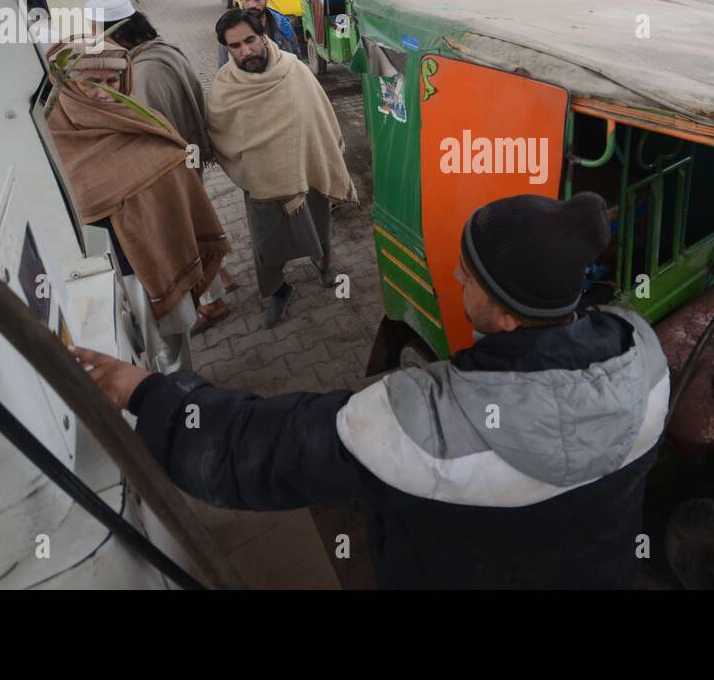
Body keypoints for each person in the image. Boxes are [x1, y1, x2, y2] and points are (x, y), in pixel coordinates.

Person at [71, 191, 670, 589]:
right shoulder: (646, 366)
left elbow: (267, 452)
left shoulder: (423, 425)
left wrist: (151, 396)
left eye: (470, 272)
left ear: (507, 313)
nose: (457, 275)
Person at [44, 38, 230, 372]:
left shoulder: (142, 118)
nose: (105, 92)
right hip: (116, 274)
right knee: (140, 352)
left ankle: (186, 393)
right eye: (91, 83)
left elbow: (177, 171)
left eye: (113, 81)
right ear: (68, 84)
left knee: (177, 342)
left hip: (165, 255)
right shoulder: (57, 141)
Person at [88, 0, 237, 331]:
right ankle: (222, 275)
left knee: (182, 233)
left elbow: (151, 133)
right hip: (190, 153)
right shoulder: (164, 49)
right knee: (196, 221)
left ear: (119, 34)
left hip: (171, 167)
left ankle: (212, 304)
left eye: (104, 36)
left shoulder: (142, 72)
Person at [209, 9, 356, 328]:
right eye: (235, 46)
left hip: (307, 170)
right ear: (227, 49)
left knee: (319, 225)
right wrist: (250, 171)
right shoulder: (223, 86)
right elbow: (222, 137)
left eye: (250, 40)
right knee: (266, 243)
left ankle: (324, 264)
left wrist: (326, 152)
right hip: (262, 182)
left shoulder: (293, 69)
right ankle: (277, 290)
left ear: (262, 36)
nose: (245, 51)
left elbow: (320, 116)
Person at [219, 0, 299, 68]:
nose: (252, 4)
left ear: (266, 0)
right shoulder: (230, 30)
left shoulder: (282, 25)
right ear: (241, 0)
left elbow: (296, 60)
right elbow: (224, 69)